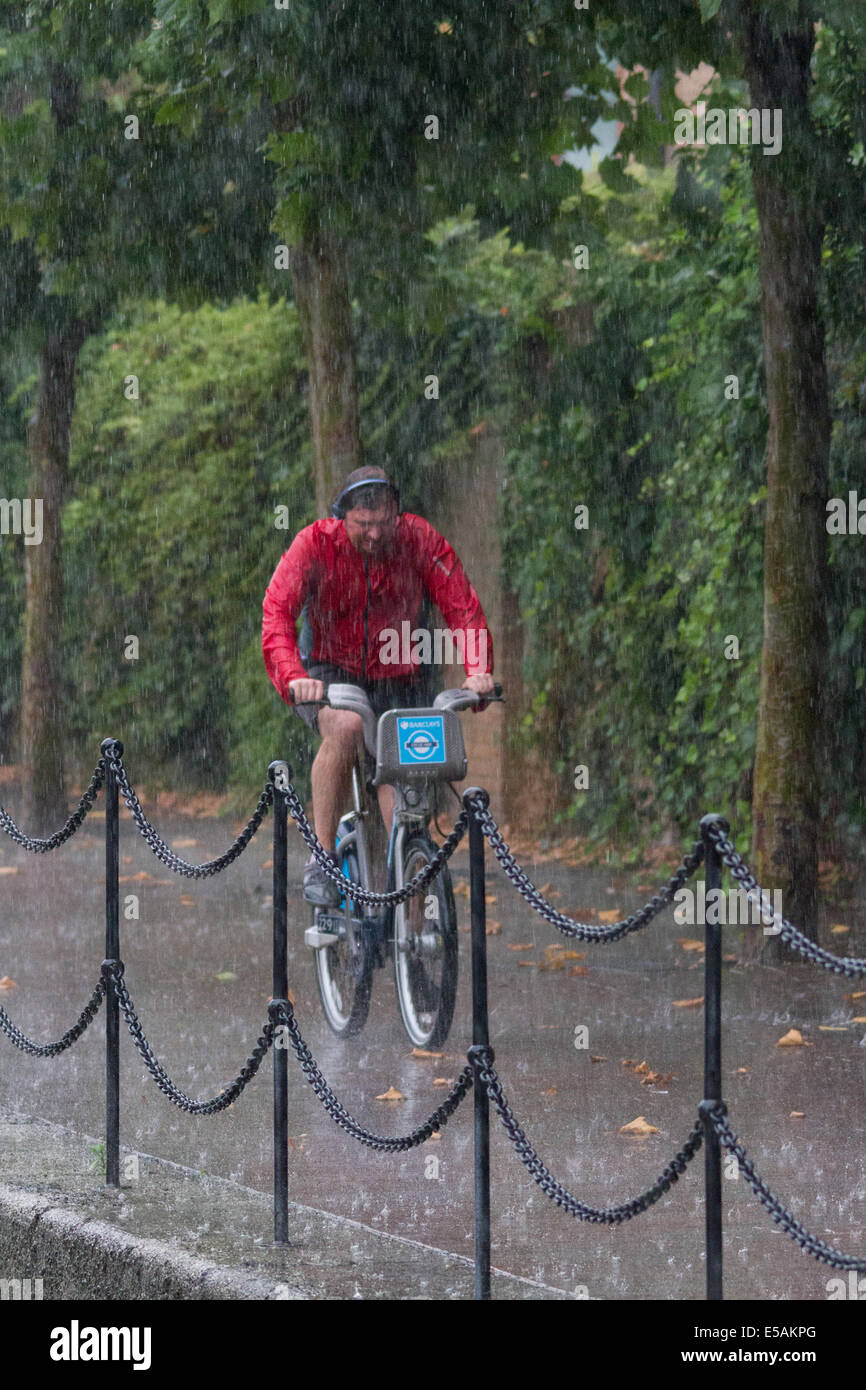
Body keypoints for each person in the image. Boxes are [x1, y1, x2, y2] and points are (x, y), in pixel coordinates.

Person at [262, 465, 495, 905]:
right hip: (329, 670)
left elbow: (462, 606)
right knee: (346, 728)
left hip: (401, 671)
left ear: (397, 515)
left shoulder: (419, 540)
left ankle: (413, 928)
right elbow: (277, 613)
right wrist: (294, 676)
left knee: (403, 790)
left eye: (382, 523)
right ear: (341, 518)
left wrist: (478, 669)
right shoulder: (314, 544)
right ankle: (323, 856)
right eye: (362, 526)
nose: (373, 535)